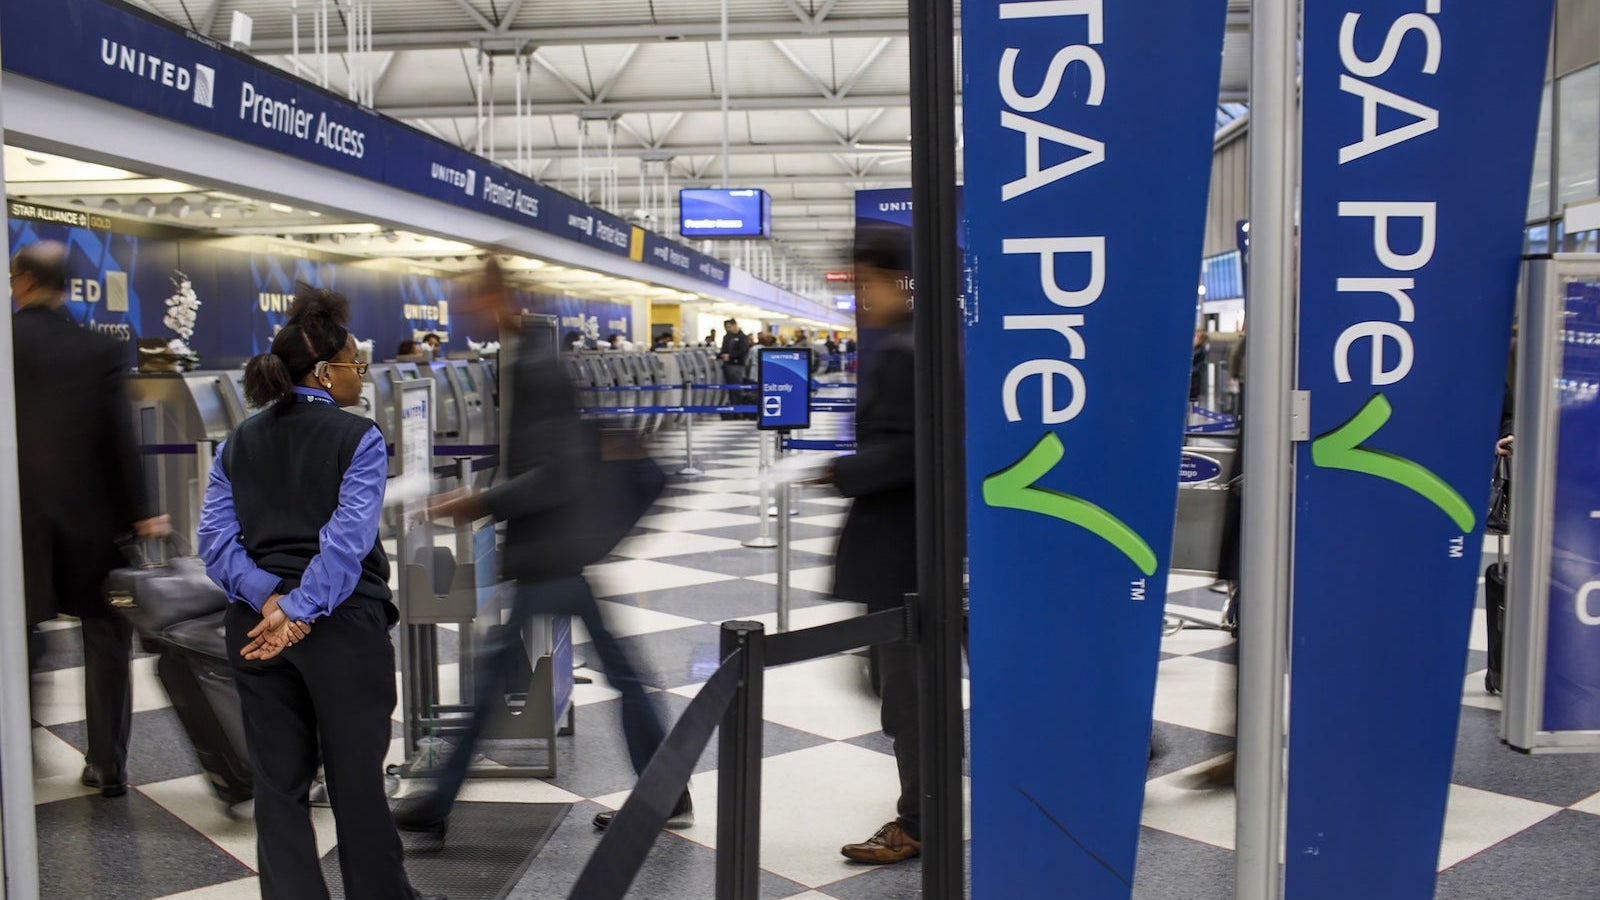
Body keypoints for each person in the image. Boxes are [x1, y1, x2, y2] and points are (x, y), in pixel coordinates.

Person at [393, 258, 686, 837]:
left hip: (551, 551)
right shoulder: (528, 360)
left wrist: (479, 501)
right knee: (608, 674)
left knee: (496, 686)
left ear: (496, 298)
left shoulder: (535, 368)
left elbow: (558, 473)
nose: (467, 309)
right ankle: (667, 791)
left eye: (474, 298)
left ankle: (436, 802)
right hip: (558, 552)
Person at [197, 286, 435, 900]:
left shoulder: (236, 442)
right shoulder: (358, 437)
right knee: (355, 782)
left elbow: (215, 543)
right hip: (341, 628)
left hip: (254, 630)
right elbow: (345, 543)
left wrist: (269, 599)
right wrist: (298, 609)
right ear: (326, 372)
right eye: (357, 364)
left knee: (277, 786)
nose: (361, 375)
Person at [12, 241, 170, 798]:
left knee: (19, 636)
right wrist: (142, 511)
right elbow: (119, 437)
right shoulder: (98, 348)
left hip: (20, 524)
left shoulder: (6, 343)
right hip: (93, 523)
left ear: (24, 280)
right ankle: (108, 763)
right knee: (105, 637)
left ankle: (17, 754)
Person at [827, 231, 921, 865]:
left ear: (894, 281)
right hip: (913, 549)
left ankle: (918, 821)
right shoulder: (912, 346)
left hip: (902, 554)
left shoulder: (906, 353)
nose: (859, 297)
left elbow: (912, 452)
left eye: (864, 283)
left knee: (906, 697)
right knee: (904, 691)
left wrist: (841, 471)